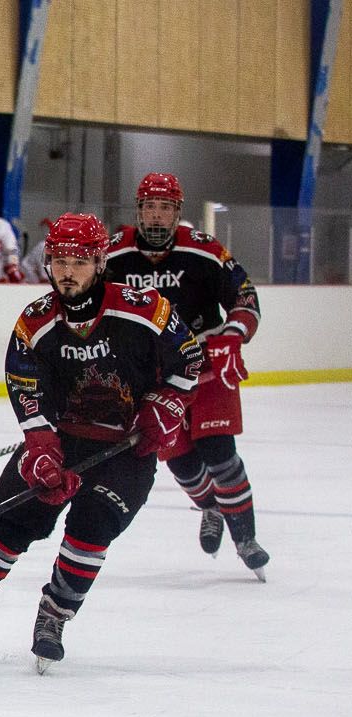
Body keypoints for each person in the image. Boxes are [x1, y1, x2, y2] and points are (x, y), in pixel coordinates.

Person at [0, 213, 205, 671]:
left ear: (99, 261)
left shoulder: (145, 308)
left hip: (126, 449)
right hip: (59, 440)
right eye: (59, 260)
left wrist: (167, 403)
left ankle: (53, 616)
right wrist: (39, 444)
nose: (67, 271)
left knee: (91, 530)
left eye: (78, 261)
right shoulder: (35, 321)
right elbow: (23, 385)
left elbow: (189, 359)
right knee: (9, 526)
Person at [106, 171, 268, 576]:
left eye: (165, 207)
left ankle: (246, 538)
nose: (156, 216)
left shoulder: (204, 250)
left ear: (178, 212)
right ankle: (210, 506)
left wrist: (233, 334)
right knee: (179, 460)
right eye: (149, 207)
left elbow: (245, 296)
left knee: (218, 452)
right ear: (138, 210)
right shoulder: (113, 255)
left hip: (206, 367)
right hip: (155, 379)